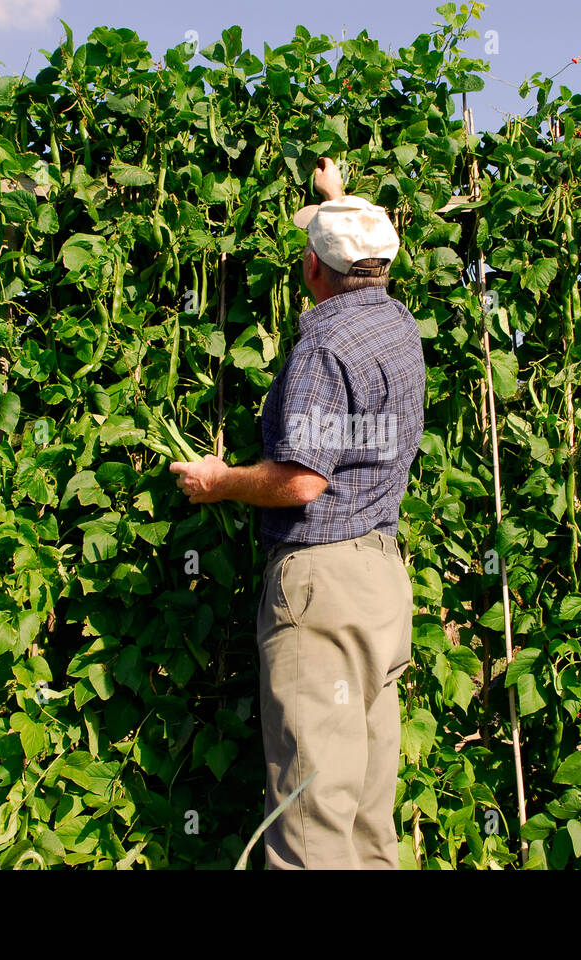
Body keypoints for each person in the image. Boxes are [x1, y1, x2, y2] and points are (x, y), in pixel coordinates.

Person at [169, 157, 426, 868]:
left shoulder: (323, 344)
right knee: (368, 824)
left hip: (321, 589)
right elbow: (357, 256)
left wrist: (219, 482)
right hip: (380, 584)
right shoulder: (396, 324)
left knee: (311, 823)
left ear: (313, 268)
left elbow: (301, 482)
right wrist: (338, 201)